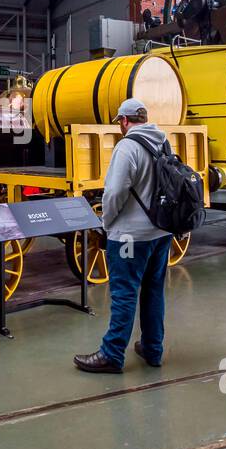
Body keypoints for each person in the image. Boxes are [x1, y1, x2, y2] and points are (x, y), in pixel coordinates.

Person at [74, 98, 173, 373]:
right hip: (161, 232)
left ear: (124, 121)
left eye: (119, 121)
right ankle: (153, 350)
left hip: (130, 237)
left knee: (124, 293)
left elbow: (115, 192)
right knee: (154, 291)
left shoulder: (127, 146)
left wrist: (106, 223)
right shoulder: (164, 142)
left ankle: (112, 354)